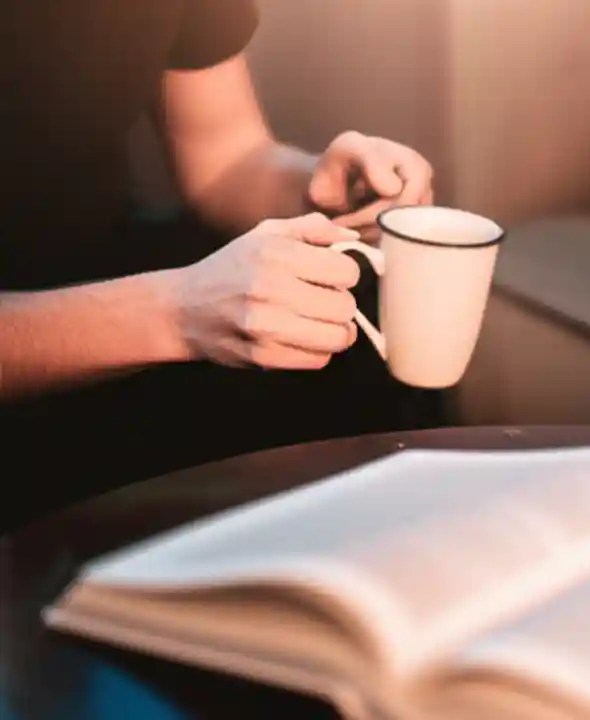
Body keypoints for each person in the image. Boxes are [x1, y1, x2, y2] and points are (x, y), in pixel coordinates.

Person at [0, 1, 437, 529]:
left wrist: (325, 191)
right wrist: (175, 313)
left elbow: (225, 156)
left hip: (97, 262)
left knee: (348, 323)